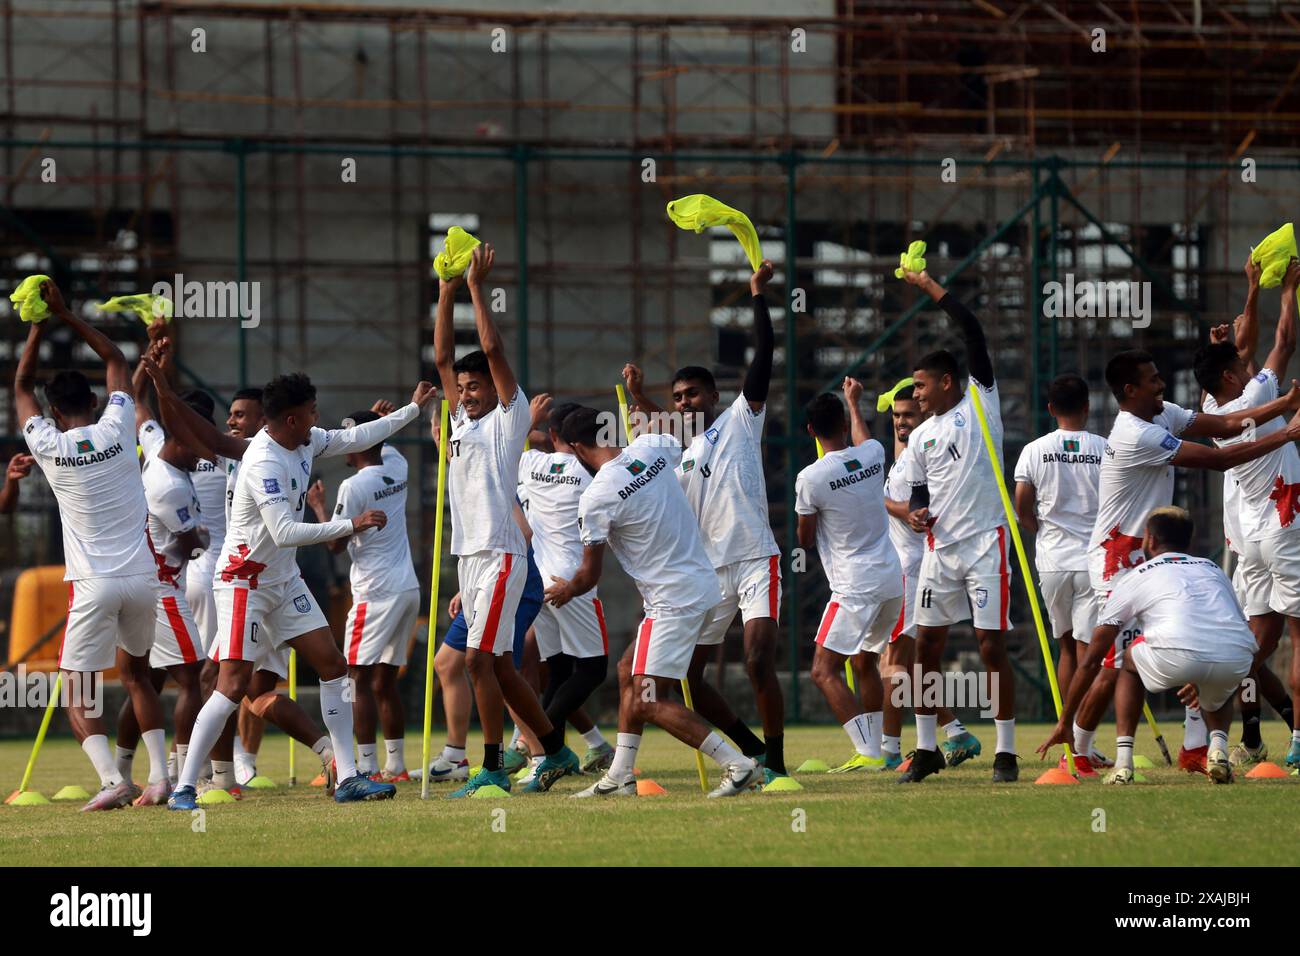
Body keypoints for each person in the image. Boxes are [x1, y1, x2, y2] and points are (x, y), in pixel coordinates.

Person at [154, 360, 435, 810]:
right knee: (231, 685)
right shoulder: (263, 460)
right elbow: (284, 532)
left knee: (333, 667)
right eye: (312, 411)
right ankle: (185, 787)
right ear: (291, 419)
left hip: (283, 579)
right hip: (244, 580)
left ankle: (347, 777)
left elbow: (354, 437)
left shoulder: (305, 439)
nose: (317, 419)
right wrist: (348, 525)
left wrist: (411, 410)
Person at [1072, 346, 1300, 780]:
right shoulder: (1137, 433)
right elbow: (1218, 458)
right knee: (1116, 662)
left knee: (1189, 640)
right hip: (1117, 557)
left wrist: (1285, 405)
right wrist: (1286, 433)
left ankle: (1197, 748)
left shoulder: (1162, 412)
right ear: (1130, 390)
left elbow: (1227, 425)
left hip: (1152, 555)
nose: (1163, 384)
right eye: (1153, 379)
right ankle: (1079, 744)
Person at [622, 259, 785, 780]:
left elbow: (765, 355)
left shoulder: (741, 419)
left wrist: (758, 295)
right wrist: (637, 396)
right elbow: (656, 421)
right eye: (677, 398)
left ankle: (777, 762)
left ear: (714, 397)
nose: (684, 403)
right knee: (692, 675)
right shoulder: (678, 448)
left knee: (759, 659)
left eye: (692, 395)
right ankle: (750, 747)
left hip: (755, 556)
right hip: (708, 572)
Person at [548, 407, 760, 799]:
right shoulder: (650, 448)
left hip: (672, 600)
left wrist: (566, 591)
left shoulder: (595, 497)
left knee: (649, 698)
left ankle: (738, 763)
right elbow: (676, 433)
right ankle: (620, 776)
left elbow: (588, 575)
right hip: (700, 584)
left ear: (576, 448)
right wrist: (642, 403)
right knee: (630, 671)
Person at [14, 279, 168, 810]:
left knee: (76, 689)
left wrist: (38, 324)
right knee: (139, 678)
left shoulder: (49, 444)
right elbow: (116, 357)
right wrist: (68, 314)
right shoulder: (118, 426)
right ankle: (163, 779)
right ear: (98, 402)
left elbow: (21, 384)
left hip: (94, 584)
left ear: (55, 414)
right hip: (144, 580)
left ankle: (113, 781)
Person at [433, 242, 579, 797]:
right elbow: (445, 359)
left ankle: (492, 765)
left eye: (477, 388)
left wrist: (474, 286)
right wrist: (444, 290)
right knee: (502, 667)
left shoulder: (507, 418)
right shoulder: (461, 425)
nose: (467, 394)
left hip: (502, 557)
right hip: (470, 559)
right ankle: (556, 749)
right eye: (463, 390)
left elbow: (490, 348)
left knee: (477, 662)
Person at [895, 267, 1018, 783]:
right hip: (939, 551)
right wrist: (918, 511)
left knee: (991, 647)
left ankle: (1006, 751)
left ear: (947, 382)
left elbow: (972, 331)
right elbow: (920, 494)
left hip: (985, 542)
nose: (915, 395)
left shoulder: (979, 402)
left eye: (921, 386)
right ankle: (926, 749)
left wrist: (928, 287)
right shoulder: (921, 438)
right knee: (925, 646)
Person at [1038, 508, 1257, 784]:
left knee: (1127, 660)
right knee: (1219, 684)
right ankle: (1218, 749)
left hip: (1178, 656)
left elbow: (1092, 659)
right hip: (1237, 657)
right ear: (1188, 542)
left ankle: (1123, 764)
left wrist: (1064, 721)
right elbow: (1234, 628)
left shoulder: (1137, 575)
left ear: (1149, 540)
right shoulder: (1212, 568)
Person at [1194, 257, 1300, 769]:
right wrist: (1283, 293)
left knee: (1252, 646)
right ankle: (1299, 740)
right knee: (1297, 637)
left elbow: (1246, 347)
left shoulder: (1211, 411)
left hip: (1247, 538)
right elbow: (1281, 343)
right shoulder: (1256, 394)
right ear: (1233, 374)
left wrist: (1253, 292)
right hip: (1284, 525)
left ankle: (1247, 733)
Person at [307, 409, 420, 782]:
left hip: (375, 591)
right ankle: (396, 765)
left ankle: (368, 767)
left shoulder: (353, 487)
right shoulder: (398, 465)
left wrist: (319, 509)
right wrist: (380, 420)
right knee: (384, 683)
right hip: (407, 587)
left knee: (354, 678)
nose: (344, 446)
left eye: (350, 439)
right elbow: (383, 441)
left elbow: (336, 545)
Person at [795, 380, 901, 772]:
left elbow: (804, 539)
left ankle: (870, 751)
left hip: (854, 586)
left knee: (823, 670)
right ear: (843, 421)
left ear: (810, 431)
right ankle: (879, 749)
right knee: (863, 662)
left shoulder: (810, 478)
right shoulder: (873, 454)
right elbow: (864, 439)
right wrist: (855, 403)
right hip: (891, 581)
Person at [879, 381, 977, 770]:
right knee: (907, 664)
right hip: (906, 567)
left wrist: (884, 503)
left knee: (894, 663)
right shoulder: (905, 455)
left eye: (909, 416)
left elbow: (918, 509)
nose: (901, 423)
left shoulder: (928, 454)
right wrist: (856, 406)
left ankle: (888, 751)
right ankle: (955, 732)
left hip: (912, 569)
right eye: (897, 417)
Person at [1012, 374, 1107, 775]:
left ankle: (1075, 740)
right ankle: (1082, 743)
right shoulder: (1106, 449)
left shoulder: (1034, 450)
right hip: (1093, 560)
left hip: (1051, 560)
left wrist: (1042, 529)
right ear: (1087, 407)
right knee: (1090, 655)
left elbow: (1022, 507)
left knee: (1067, 648)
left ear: (1050, 409)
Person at [517, 397, 614, 783]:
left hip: (538, 579)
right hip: (572, 582)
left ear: (552, 434)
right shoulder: (593, 470)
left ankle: (549, 756)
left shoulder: (529, 463)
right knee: (593, 669)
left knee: (557, 670)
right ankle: (539, 737)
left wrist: (528, 424)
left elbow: (506, 445)